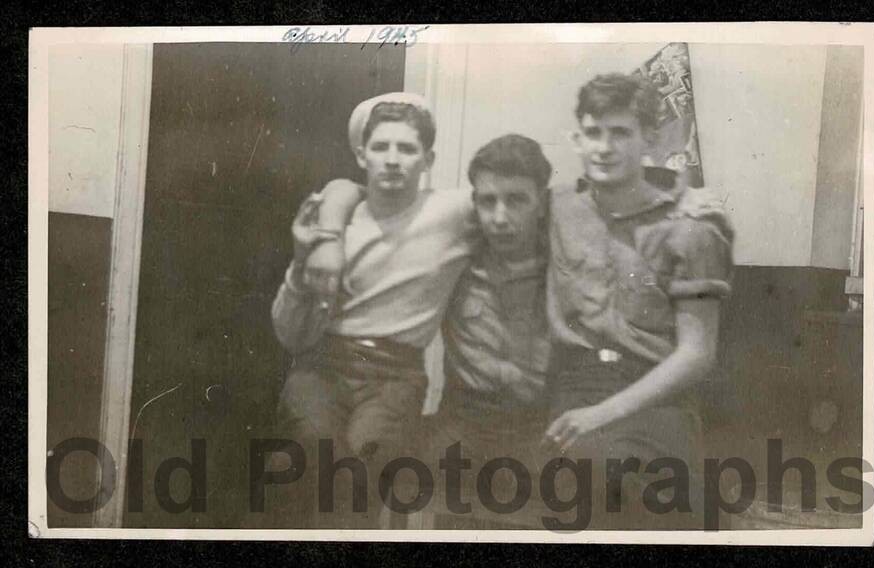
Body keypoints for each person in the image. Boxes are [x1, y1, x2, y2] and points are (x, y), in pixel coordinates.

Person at [266, 92, 479, 528]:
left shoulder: (453, 212)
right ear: (361, 156)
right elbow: (290, 335)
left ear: (428, 158)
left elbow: (515, 196)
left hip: (393, 376)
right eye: (381, 147)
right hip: (323, 366)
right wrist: (307, 259)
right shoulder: (335, 224)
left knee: (367, 457)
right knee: (312, 449)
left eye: (407, 148)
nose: (393, 160)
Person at [543, 73, 734, 529]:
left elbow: (696, 353)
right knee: (591, 471)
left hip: (657, 396)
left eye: (620, 133)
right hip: (577, 385)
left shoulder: (690, 226)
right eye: (593, 132)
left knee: (668, 499)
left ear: (648, 138)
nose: (604, 147)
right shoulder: (555, 208)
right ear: (578, 138)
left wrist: (602, 415)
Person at [426, 134, 554, 528]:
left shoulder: (566, 267)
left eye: (516, 200)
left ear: (542, 203)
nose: (500, 217)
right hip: (464, 424)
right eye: (487, 201)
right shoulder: (453, 258)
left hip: (539, 430)